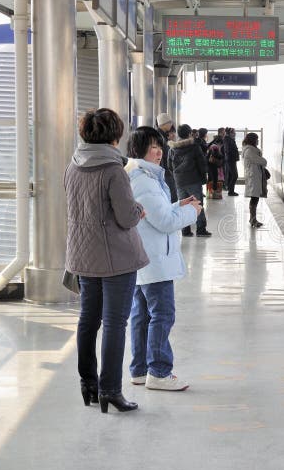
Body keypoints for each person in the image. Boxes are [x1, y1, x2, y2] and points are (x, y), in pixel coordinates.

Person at [65, 108, 148, 414]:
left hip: (83, 255)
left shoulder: (73, 166)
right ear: (115, 136)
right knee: (114, 323)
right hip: (115, 259)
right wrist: (139, 208)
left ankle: (88, 384)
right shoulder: (114, 171)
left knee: (89, 320)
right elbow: (126, 218)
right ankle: (111, 390)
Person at [126, 127, 202, 391]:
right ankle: (159, 372)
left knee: (143, 316)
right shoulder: (145, 181)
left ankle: (139, 369)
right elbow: (165, 223)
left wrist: (177, 206)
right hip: (155, 261)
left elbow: (156, 214)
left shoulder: (140, 176)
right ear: (138, 151)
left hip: (145, 259)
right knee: (162, 315)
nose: (158, 152)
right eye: (152, 147)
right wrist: (191, 213)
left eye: (159, 146)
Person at [168, 124, 211, 237]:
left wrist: (176, 175)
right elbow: (201, 164)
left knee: (183, 205)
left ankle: (185, 231)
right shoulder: (194, 147)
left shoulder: (172, 148)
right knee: (197, 203)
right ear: (189, 134)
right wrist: (203, 177)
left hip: (179, 181)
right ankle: (201, 229)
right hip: (193, 180)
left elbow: (169, 165)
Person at [242, 132, 268, 228]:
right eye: (257, 139)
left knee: (255, 198)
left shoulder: (251, 150)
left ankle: (253, 219)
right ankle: (253, 220)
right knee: (254, 198)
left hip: (255, 176)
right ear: (253, 140)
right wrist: (263, 160)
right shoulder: (250, 151)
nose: (258, 141)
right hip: (253, 177)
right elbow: (262, 161)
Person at [156, 113, 178, 202]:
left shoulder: (162, 136)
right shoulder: (159, 137)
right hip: (164, 171)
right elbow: (162, 155)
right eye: (170, 122)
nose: (171, 124)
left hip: (165, 171)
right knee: (171, 196)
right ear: (164, 124)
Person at [223, 127, 240, 196]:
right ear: (230, 133)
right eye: (234, 132)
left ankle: (231, 191)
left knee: (231, 175)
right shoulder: (227, 139)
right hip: (230, 160)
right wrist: (233, 154)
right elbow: (227, 150)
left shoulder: (229, 139)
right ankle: (230, 190)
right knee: (235, 175)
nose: (235, 134)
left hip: (231, 159)